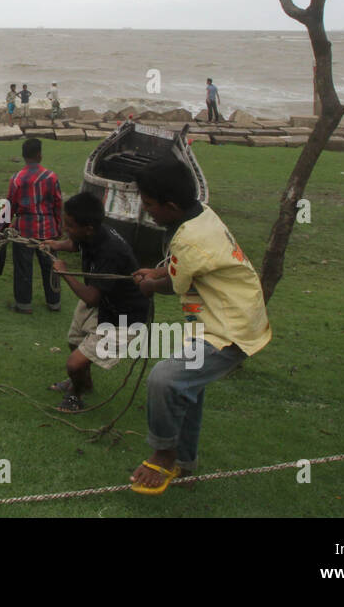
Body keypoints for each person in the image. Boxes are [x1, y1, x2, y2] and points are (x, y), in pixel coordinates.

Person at [129, 157, 271, 495]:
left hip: (229, 330)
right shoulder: (200, 214)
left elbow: (174, 283)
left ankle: (164, 454)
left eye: (149, 205)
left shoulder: (189, 239)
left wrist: (151, 283)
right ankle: (186, 463)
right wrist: (158, 271)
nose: (146, 211)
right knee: (187, 389)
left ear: (172, 205)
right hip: (227, 319)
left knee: (165, 380)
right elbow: (185, 268)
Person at [44, 193, 148, 414]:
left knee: (74, 363)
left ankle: (75, 396)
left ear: (88, 228)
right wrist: (56, 244)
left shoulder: (110, 251)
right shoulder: (91, 233)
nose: (66, 229)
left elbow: (91, 297)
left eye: (70, 225)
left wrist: (65, 273)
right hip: (104, 300)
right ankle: (83, 382)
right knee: (74, 340)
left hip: (124, 315)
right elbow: (75, 244)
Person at [7, 137, 63, 314]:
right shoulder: (51, 177)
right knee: (51, 267)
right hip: (48, 229)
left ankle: (24, 305)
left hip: (24, 229)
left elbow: (9, 205)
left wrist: (1, 229)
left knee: (23, 268)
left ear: (24, 156)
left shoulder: (16, 179)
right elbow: (58, 204)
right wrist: (58, 228)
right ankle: (54, 303)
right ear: (39, 155)